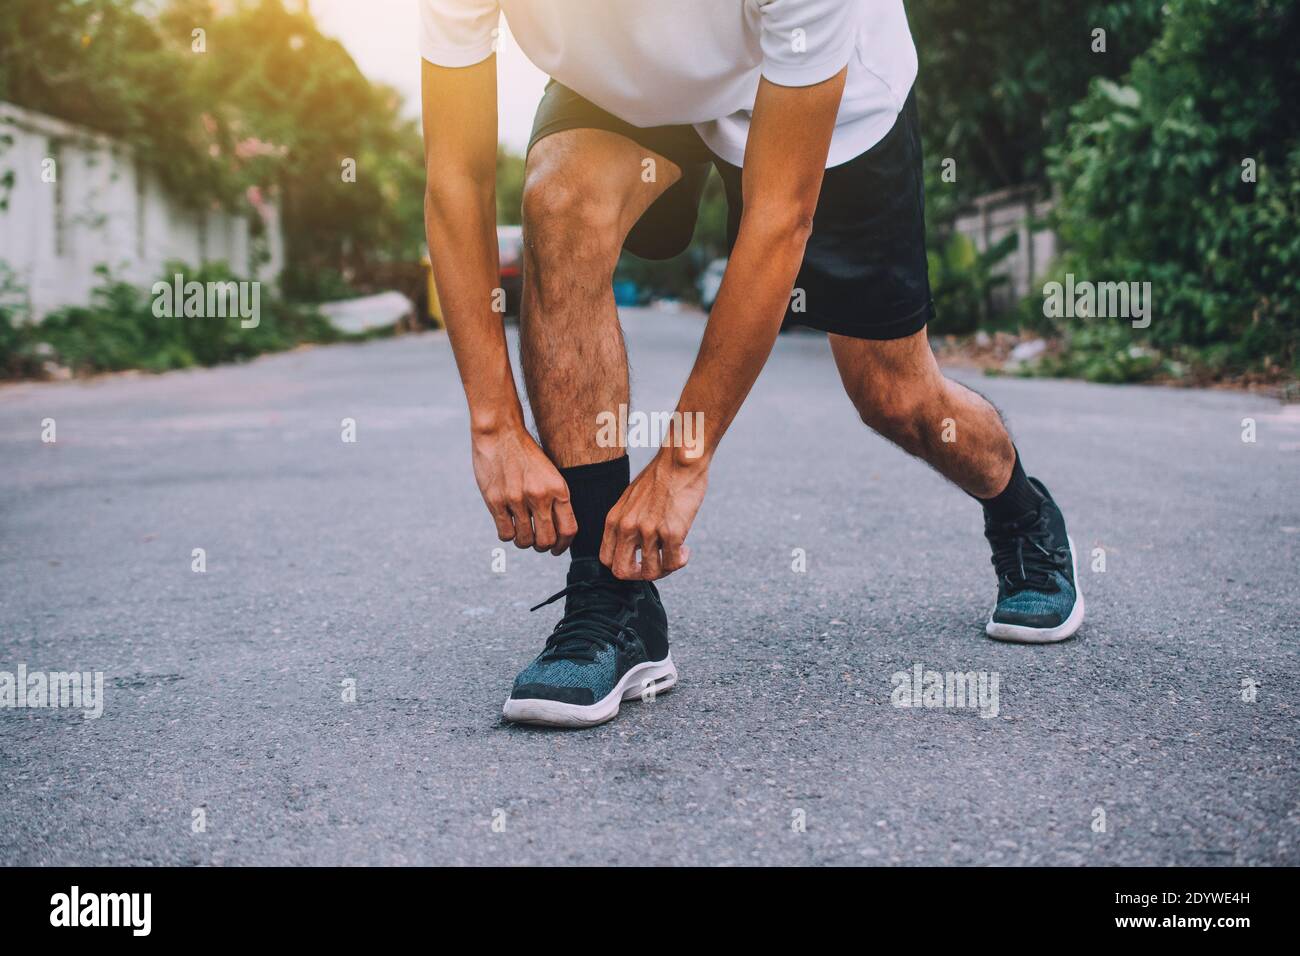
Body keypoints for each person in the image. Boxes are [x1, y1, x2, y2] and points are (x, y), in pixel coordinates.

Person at [420, 0, 1084, 728]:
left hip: (813, 81)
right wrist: (493, 425)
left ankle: (1021, 512)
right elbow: (457, 181)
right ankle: (611, 599)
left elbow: (779, 219)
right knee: (561, 205)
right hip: (631, 89)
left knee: (895, 395)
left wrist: (681, 463)